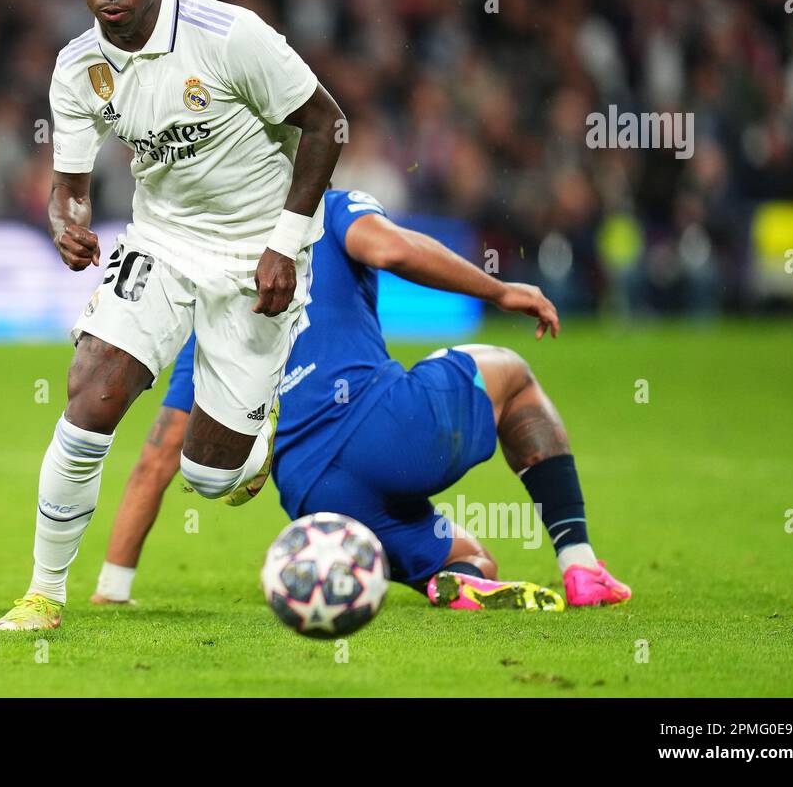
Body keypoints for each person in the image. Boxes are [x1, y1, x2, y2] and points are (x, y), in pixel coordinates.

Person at [0, 0, 345, 630]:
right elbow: (70, 189)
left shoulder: (229, 35)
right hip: (161, 242)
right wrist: (70, 223)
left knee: (210, 476)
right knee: (92, 392)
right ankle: (42, 594)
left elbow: (327, 124)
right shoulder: (78, 66)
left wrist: (285, 241)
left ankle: (251, 438)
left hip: (258, 257)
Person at [91, 189, 632, 611]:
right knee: (510, 374)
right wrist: (501, 291)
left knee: (473, 560)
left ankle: (455, 582)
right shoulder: (326, 209)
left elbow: (156, 460)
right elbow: (393, 248)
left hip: (317, 497)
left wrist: (114, 586)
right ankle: (581, 565)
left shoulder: (214, 304)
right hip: (388, 429)